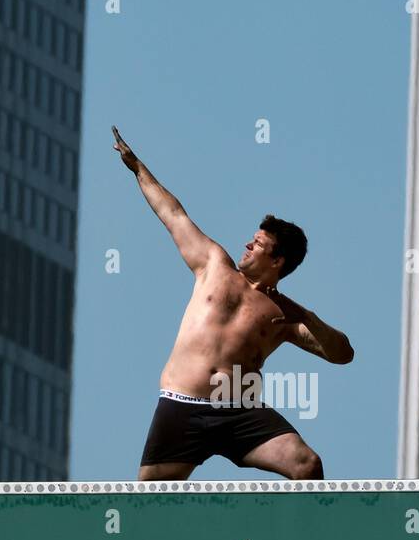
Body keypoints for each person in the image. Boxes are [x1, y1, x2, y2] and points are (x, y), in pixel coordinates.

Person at [113, 126, 354, 481]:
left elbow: (342, 353)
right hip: (182, 402)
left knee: (307, 465)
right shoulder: (213, 265)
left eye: (257, 244)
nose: (247, 245)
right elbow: (173, 214)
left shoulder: (283, 315)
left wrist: (305, 314)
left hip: (238, 410)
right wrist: (138, 167)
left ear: (277, 262)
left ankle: (301, 537)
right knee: (148, 498)